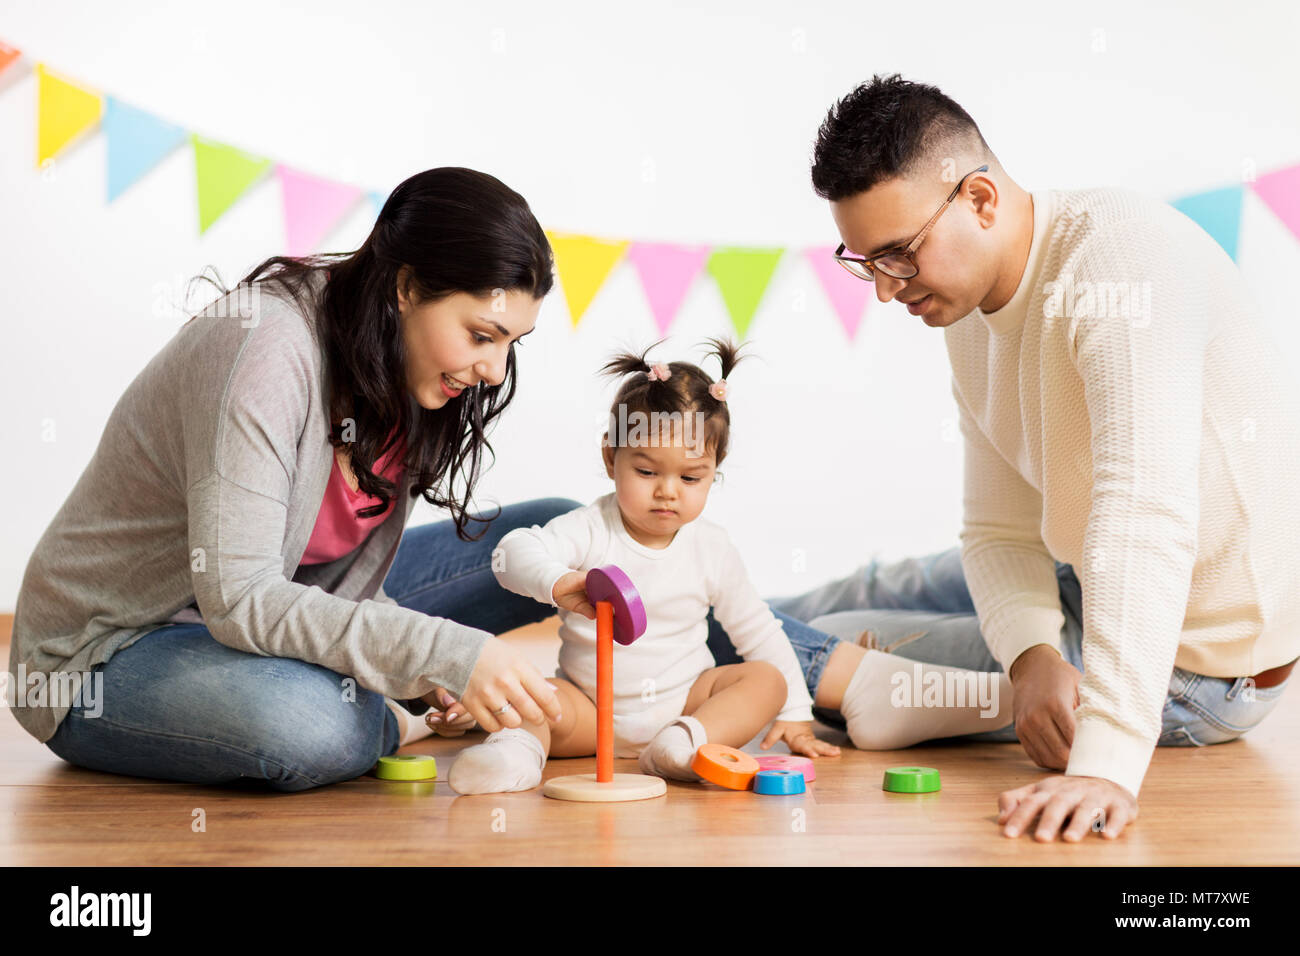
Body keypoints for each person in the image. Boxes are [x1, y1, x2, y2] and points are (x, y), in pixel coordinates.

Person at [715, 73, 1300, 843]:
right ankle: (666, 614)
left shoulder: (1115, 268)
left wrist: (1105, 760)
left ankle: (640, 646)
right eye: (866, 264)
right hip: (1086, 577)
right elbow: (997, 531)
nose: (887, 293)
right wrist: (1029, 657)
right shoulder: (965, 308)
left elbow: (1142, 517)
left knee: (817, 643)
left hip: (1197, 671)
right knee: (859, 588)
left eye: (898, 255)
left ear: (981, 200)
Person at [8, 167, 576, 791]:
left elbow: (347, 585)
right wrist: (436, 659)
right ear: (408, 287)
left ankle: (678, 701)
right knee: (310, 725)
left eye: (511, 343)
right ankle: (389, 716)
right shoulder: (266, 348)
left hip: (284, 609)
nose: (494, 370)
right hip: (111, 650)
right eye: (481, 336)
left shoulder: (415, 368)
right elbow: (241, 598)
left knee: (563, 530)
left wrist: (436, 665)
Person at [446, 339, 840, 795]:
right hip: (588, 711)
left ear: (715, 470)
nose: (668, 491)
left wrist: (794, 712)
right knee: (532, 699)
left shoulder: (711, 546)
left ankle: (683, 744)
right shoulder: (590, 528)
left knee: (764, 681)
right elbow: (511, 553)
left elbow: (758, 629)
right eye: (648, 472)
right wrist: (557, 581)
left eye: (690, 477)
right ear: (612, 458)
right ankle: (512, 755)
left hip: (686, 705)